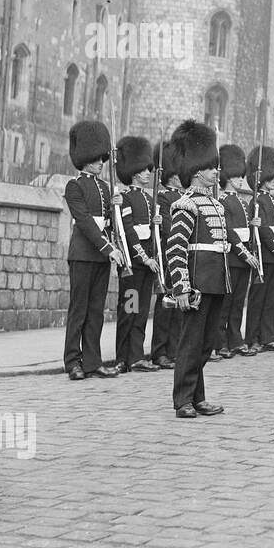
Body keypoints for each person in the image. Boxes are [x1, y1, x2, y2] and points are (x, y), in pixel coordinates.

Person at [163, 120, 228, 418]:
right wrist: (182, 287)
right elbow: (176, 248)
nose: (217, 172)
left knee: (205, 344)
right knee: (190, 345)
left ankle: (198, 396)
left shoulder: (216, 204)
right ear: (198, 170)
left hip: (215, 281)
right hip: (197, 283)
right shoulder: (185, 204)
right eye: (212, 167)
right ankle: (183, 400)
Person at [63, 120, 123, 381]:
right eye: (97, 158)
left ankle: (92, 360)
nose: (101, 162)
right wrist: (108, 247)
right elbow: (86, 223)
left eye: (103, 158)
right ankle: (72, 361)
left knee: (96, 310)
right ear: (85, 158)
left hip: (101, 255)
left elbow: (108, 223)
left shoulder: (105, 187)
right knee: (79, 309)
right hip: (83, 254)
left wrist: (116, 207)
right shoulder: (74, 186)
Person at [112, 134, 159, 373]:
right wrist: (145, 258)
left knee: (140, 313)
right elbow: (129, 232)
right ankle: (122, 357)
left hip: (148, 264)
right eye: (143, 170)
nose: (148, 173)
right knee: (129, 311)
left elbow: (151, 233)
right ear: (133, 172)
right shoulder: (126, 198)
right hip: (134, 264)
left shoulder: (150, 199)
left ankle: (137, 356)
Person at [215, 144, 261, 360]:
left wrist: (254, 224)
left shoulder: (243, 202)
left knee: (237, 303)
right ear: (228, 176)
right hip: (233, 258)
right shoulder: (223, 201)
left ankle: (235, 339)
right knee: (226, 303)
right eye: (236, 175)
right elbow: (230, 232)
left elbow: (243, 230)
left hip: (243, 258)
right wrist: (245, 253)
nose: (241, 179)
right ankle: (221, 342)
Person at [243, 144, 274, 354]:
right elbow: (265, 232)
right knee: (258, 299)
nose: (273, 181)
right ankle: (252, 338)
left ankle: (268, 336)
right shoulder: (257, 200)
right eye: (269, 177)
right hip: (266, 254)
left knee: (272, 299)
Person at [149, 139, 183, 370]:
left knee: (180, 308)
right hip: (168, 257)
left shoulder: (183, 197)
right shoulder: (163, 198)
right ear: (172, 175)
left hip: (182, 258)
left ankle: (173, 349)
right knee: (165, 308)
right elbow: (171, 228)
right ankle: (160, 351)